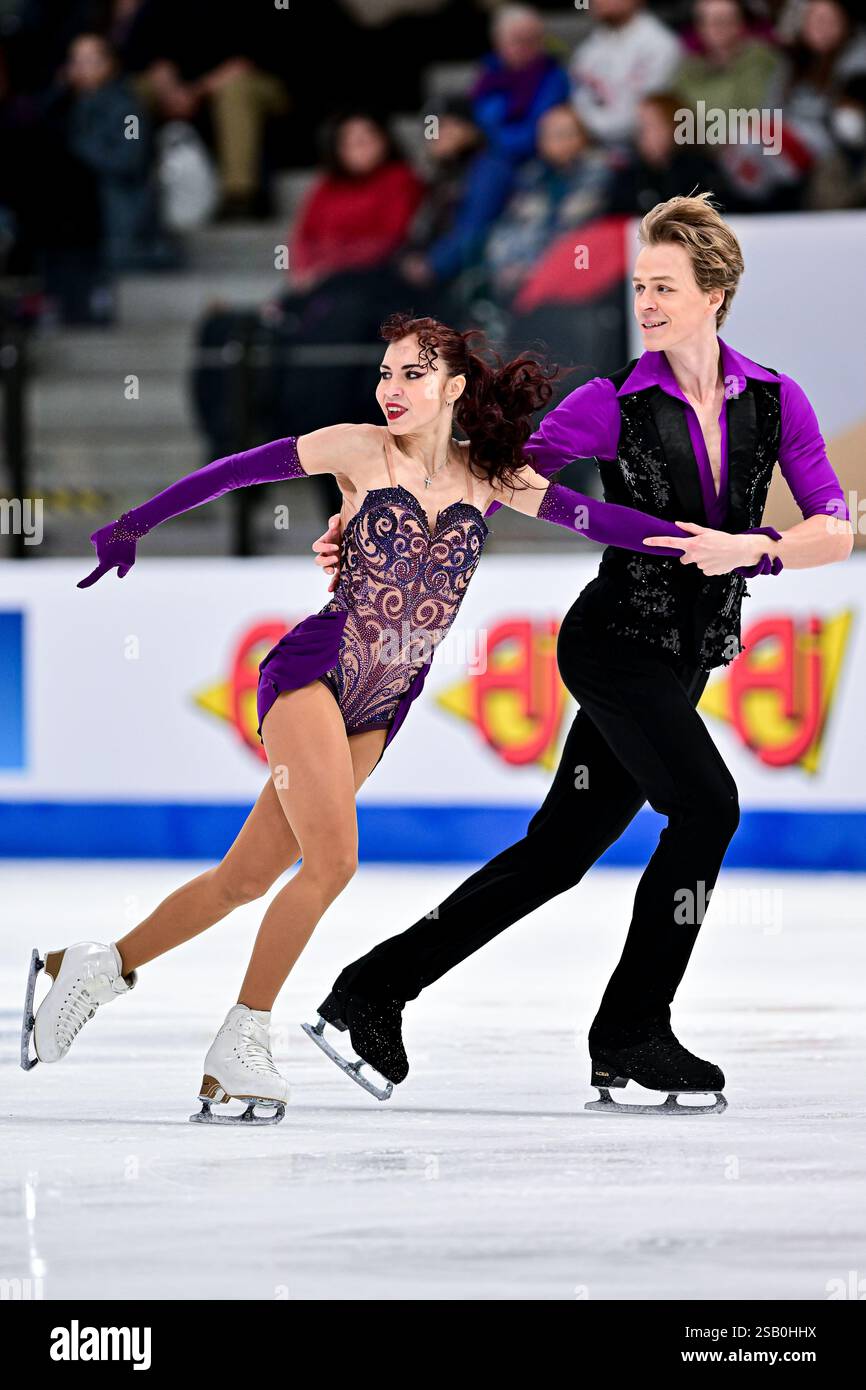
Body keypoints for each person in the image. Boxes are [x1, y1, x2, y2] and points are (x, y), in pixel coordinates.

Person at [23, 313, 717, 1123]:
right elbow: (232, 473)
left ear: (454, 388)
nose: (391, 389)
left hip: (384, 705)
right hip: (313, 673)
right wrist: (133, 524)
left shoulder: (489, 476)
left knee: (244, 878)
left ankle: (96, 967)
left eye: (413, 374)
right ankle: (240, 1044)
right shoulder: (359, 450)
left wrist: (710, 544)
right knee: (333, 864)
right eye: (386, 373)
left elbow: (597, 521)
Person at [311, 193, 853, 1115]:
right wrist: (374, 518)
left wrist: (751, 547)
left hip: (688, 651)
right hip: (612, 644)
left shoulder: (774, 398)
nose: (643, 300)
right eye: (639, 285)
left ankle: (370, 991)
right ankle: (634, 1028)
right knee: (708, 809)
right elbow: (487, 475)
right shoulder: (611, 402)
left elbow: (835, 530)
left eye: (664, 286)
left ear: (715, 293)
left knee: (558, 852)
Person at [570, 0, 683, 148]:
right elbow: (580, 105)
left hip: (642, 148)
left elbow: (651, 111)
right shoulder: (586, 52)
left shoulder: (661, 44)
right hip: (592, 148)